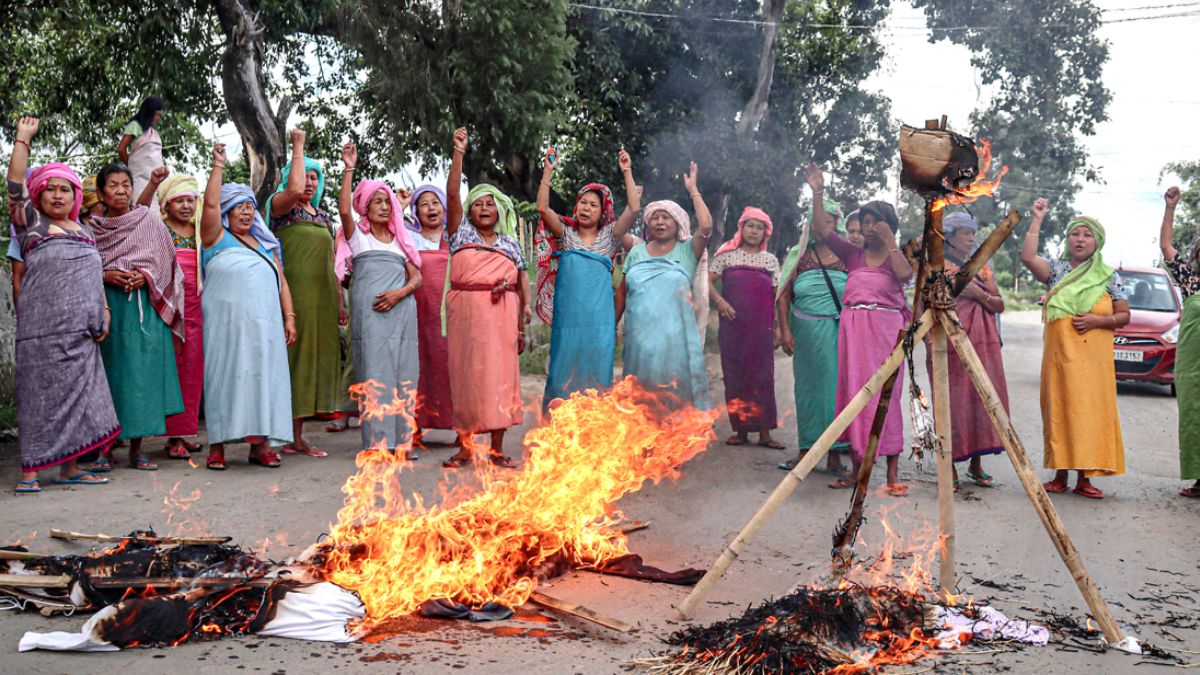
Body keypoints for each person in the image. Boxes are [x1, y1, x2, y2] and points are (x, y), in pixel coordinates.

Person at [8, 117, 118, 493]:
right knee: (39, 400)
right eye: (50, 189)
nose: (58, 195)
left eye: (65, 190)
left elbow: (94, 276)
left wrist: (103, 311)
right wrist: (23, 140)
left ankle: (70, 468)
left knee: (79, 403)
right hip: (42, 334)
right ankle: (31, 473)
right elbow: (13, 188)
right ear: (38, 196)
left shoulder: (84, 231)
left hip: (83, 334)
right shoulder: (31, 227)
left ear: (75, 197)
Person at [807, 165, 914, 496]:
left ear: (888, 226)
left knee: (886, 397)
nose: (867, 229)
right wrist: (818, 192)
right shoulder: (853, 254)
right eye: (864, 223)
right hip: (853, 333)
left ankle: (893, 475)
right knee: (854, 395)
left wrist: (891, 242)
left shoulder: (897, 254)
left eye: (874, 223)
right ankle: (857, 472)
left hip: (887, 334)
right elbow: (822, 231)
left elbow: (905, 275)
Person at [1021, 198, 1128, 499]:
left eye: (1087, 235)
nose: (1080, 240)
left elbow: (1124, 315)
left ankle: (1085, 478)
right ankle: (1060, 476)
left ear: (1097, 242)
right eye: (1074, 234)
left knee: (1089, 414)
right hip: (1059, 359)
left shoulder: (1109, 277)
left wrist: (1096, 320)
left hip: (1093, 363)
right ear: (1068, 240)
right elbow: (1028, 257)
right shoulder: (1056, 270)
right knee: (1059, 412)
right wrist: (1037, 218)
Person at [200, 143, 296, 470]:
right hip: (225, 326)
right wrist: (218, 167)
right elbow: (210, 203)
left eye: (250, 207)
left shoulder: (266, 245)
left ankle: (262, 445)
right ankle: (217, 447)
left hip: (265, 326)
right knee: (225, 376)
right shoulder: (215, 237)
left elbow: (281, 282)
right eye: (238, 207)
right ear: (226, 212)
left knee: (263, 377)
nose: (245, 212)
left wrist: (290, 318)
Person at [441, 128, 529, 469]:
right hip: (466, 312)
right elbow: (451, 196)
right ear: (469, 213)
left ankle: (496, 449)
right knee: (466, 376)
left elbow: (522, 282)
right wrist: (458, 153)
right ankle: (465, 448)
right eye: (477, 204)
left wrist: (522, 321)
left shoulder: (510, 243)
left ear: (500, 211)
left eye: (490, 203)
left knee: (501, 377)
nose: (484, 208)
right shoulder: (460, 233)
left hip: (503, 313)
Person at [89, 162, 185, 472]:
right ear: (102, 193)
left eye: (126, 184)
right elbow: (85, 265)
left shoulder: (148, 219)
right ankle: (104, 449)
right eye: (113, 185)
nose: (121, 190)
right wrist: (107, 275)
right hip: (109, 306)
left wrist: (145, 276)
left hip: (145, 306)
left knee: (142, 376)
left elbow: (165, 257)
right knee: (110, 375)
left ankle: (137, 449)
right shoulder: (93, 229)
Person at [334, 142, 423, 458]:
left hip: (402, 311)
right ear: (365, 207)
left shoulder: (402, 240)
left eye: (387, 201)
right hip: (370, 313)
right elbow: (343, 209)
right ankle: (376, 444)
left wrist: (399, 293)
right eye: (377, 202)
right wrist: (349, 168)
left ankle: (403, 442)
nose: (384, 207)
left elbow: (417, 278)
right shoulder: (358, 237)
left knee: (403, 373)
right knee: (373, 373)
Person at [535, 145, 640, 408]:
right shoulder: (565, 235)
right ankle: (558, 430)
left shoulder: (610, 236)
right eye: (583, 202)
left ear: (602, 211)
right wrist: (548, 171)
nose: (586, 208)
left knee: (596, 372)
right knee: (562, 369)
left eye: (593, 205)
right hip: (568, 318)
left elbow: (634, 209)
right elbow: (542, 208)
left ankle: (594, 432)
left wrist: (626, 171)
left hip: (599, 320)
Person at [267, 128, 341, 458]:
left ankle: (298, 435)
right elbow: (294, 189)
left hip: (323, 298)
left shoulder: (323, 217)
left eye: (315, 177)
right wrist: (297, 145)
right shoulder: (280, 206)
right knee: (292, 359)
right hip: (293, 296)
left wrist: (340, 302)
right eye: (304, 176)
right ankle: (283, 435)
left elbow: (332, 262)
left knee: (315, 359)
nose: (309, 183)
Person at [617, 163, 713, 409]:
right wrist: (632, 196)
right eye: (654, 218)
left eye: (666, 217)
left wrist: (693, 190)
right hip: (639, 340)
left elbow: (706, 227)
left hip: (675, 341)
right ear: (647, 225)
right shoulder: (636, 252)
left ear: (678, 223)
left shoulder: (688, 250)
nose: (659, 222)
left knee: (672, 397)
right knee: (639, 400)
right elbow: (622, 293)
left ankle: (671, 446)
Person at [930, 211, 1009, 488]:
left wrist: (979, 294)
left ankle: (976, 464)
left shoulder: (981, 266)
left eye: (972, 233)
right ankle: (947, 466)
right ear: (950, 237)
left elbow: (999, 304)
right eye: (965, 232)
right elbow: (927, 302)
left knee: (982, 399)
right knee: (951, 401)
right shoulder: (936, 266)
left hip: (983, 342)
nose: (971, 238)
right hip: (949, 342)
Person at [776, 199, 852, 476]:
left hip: (841, 334)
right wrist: (784, 330)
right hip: (805, 333)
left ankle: (834, 454)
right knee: (807, 391)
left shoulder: (850, 257)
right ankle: (806, 450)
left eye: (830, 221)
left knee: (836, 392)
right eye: (819, 220)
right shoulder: (799, 256)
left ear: (837, 225)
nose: (824, 226)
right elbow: (784, 295)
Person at [709, 206, 781, 448]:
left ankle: (765, 432)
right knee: (734, 375)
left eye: (759, 227)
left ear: (765, 233)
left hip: (761, 330)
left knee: (761, 377)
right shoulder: (726, 255)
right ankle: (740, 430)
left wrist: (778, 327)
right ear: (741, 228)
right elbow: (705, 281)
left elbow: (776, 296)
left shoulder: (769, 260)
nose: (754, 231)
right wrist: (719, 301)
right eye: (750, 225)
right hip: (732, 328)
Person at [150, 172, 205, 460]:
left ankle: (185, 432)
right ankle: (171, 438)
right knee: (172, 368)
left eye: (190, 199)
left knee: (193, 369)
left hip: (197, 308)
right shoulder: (159, 230)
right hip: (169, 308)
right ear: (166, 205)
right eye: (179, 200)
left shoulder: (199, 231)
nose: (186, 206)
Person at [1156, 186, 1199, 498]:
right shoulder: (1190, 279)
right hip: (1194, 367)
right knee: (1194, 418)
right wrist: (1170, 208)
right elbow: (1167, 246)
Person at [409, 183, 458, 446]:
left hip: (450, 314)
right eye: (424, 203)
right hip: (417, 311)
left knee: (451, 366)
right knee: (417, 366)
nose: (431, 208)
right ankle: (414, 426)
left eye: (435, 202)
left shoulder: (455, 238)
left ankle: (461, 428)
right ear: (416, 210)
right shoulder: (408, 237)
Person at [116, 96, 165, 202]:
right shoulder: (135, 125)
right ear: (149, 111)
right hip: (139, 176)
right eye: (156, 114)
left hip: (155, 177)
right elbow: (121, 149)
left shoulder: (153, 131)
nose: (157, 118)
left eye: (160, 115)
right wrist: (132, 165)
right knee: (138, 203)